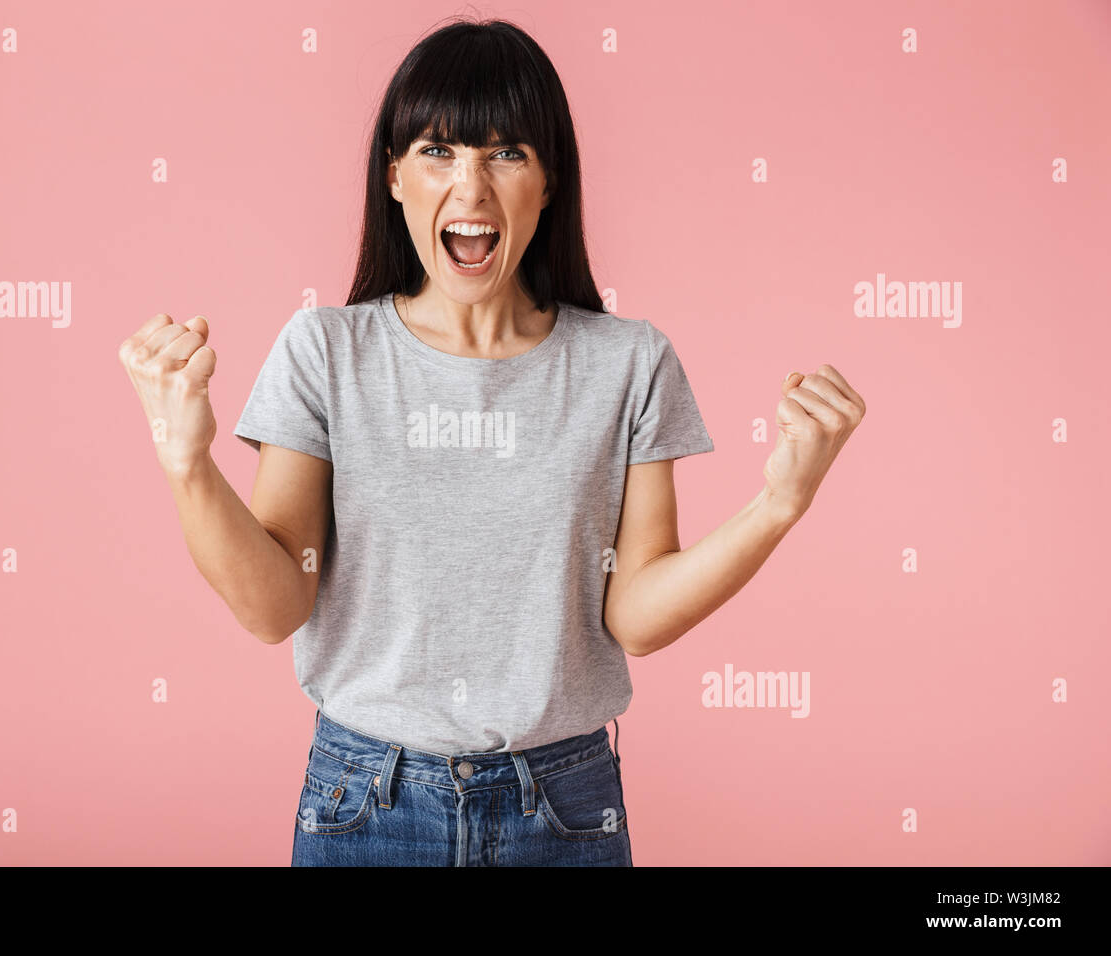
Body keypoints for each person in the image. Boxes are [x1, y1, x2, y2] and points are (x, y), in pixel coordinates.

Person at [117, 18, 865, 867]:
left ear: (548, 184)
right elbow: (276, 604)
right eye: (439, 151)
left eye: (507, 153)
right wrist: (188, 466)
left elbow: (638, 615)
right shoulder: (326, 352)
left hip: (566, 806)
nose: (470, 186)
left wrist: (780, 504)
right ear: (394, 177)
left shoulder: (628, 362)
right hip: (367, 800)